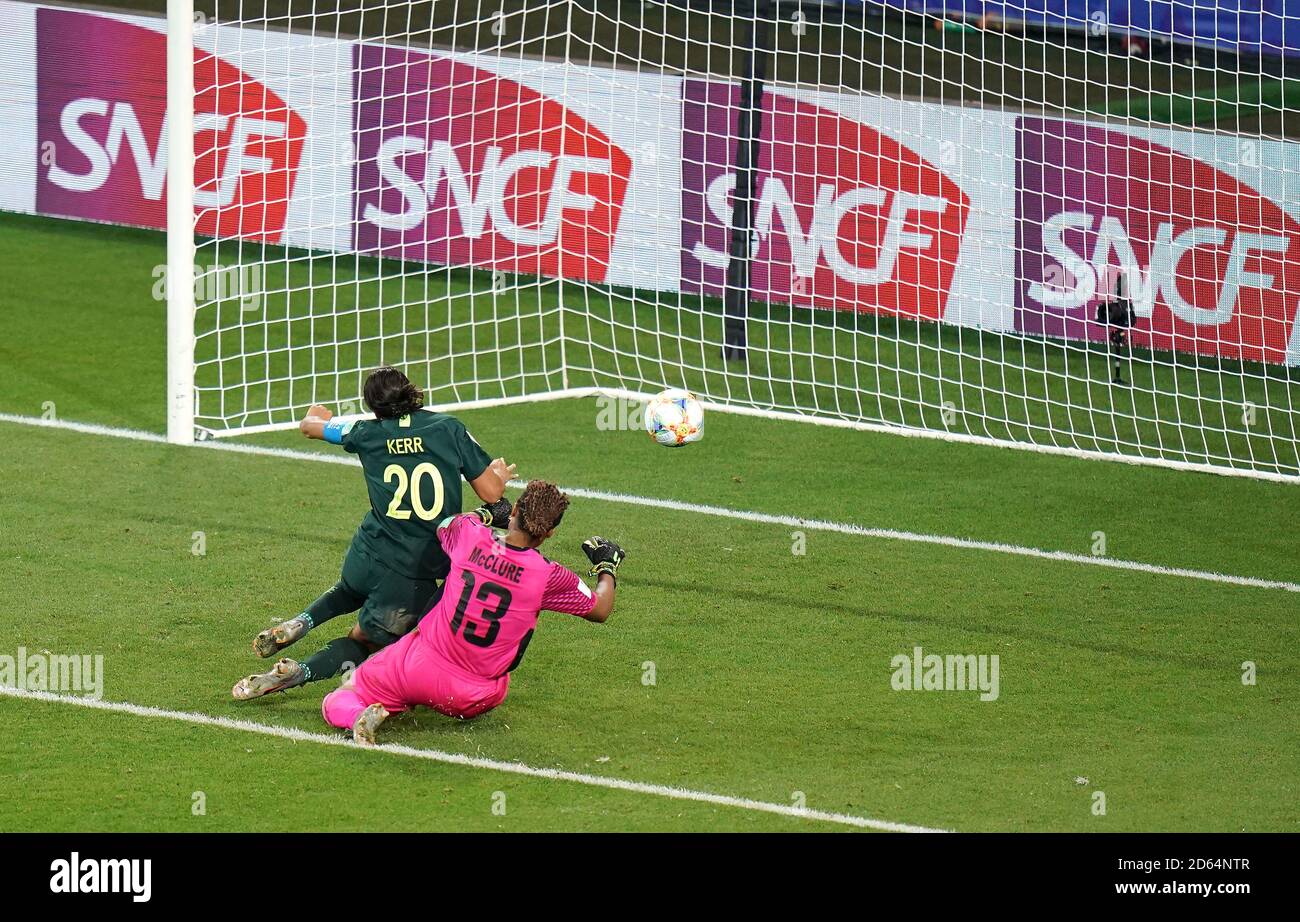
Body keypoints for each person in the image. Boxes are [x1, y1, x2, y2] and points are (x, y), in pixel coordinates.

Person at [232, 366, 516, 700]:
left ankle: (300, 623)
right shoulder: (449, 429)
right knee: (361, 642)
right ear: (411, 391)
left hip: (368, 551)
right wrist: (499, 472)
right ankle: (296, 673)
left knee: (348, 589)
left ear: (373, 406)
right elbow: (491, 493)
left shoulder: (364, 431)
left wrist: (314, 415)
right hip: (414, 569)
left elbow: (310, 428)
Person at [320, 481, 625, 744]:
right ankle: (409, 699)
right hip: (475, 695)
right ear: (551, 533)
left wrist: (487, 513)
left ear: (515, 509)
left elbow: (445, 525)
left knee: (341, 697)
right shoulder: (549, 575)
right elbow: (600, 609)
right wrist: (606, 567)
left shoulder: (471, 535)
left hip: (417, 667)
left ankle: (360, 715)